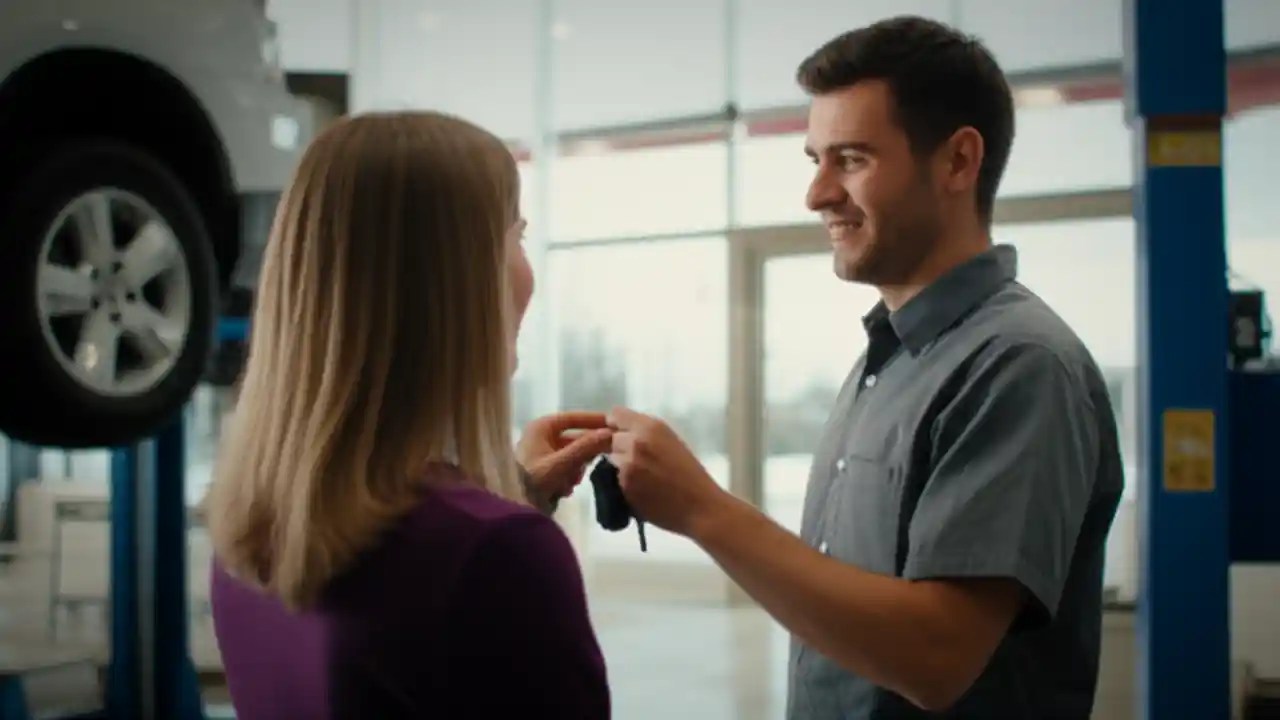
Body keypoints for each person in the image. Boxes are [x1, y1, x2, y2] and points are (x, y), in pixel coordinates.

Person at [605, 15, 1124, 720]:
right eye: (815, 161)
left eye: (850, 160)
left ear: (957, 162)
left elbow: (936, 657)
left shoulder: (1018, 366)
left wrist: (702, 508)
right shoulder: (888, 359)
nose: (817, 194)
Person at [203, 112, 613, 719]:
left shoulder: (249, 537)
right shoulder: (501, 553)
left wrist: (516, 491)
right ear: (453, 283)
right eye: (517, 237)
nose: (529, 276)